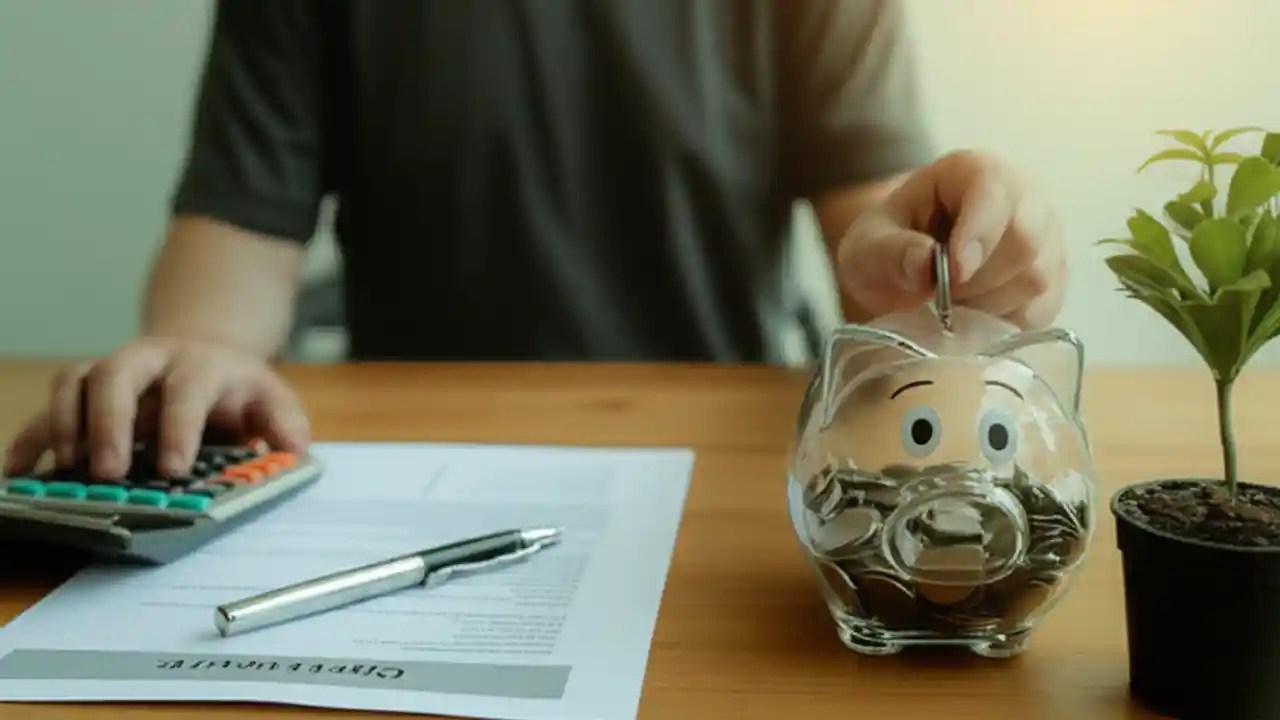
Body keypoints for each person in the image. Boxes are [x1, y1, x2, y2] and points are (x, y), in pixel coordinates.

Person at [4, 0, 1065, 482]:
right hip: (413, 473)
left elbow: (872, 244)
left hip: (720, 466)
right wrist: (196, 351)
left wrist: (936, 254)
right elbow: (231, 249)